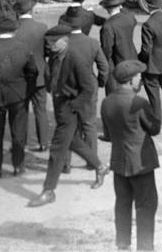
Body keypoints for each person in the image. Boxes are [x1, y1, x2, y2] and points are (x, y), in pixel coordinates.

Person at [29, 10, 110, 207]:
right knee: (73, 141)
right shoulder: (56, 54)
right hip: (60, 103)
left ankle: (49, 190)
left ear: (64, 40)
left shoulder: (75, 58)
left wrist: (74, 105)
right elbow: (51, 75)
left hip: (70, 107)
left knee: (57, 148)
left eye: (52, 43)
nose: (49, 46)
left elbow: (89, 87)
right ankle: (100, 166)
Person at [101, 59, 160, 252]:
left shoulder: (107, 102)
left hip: (119, 162)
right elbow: (154, 129)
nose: (140, 81)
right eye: (139, 77)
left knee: (122, 205)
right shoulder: (139, 102)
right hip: (141, 163)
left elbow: (107, 135)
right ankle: (145, 248)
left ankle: (123, 244)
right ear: (131, 79)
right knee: (146, 206)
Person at [0, 15, 38, 178]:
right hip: (18, 95)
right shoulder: (24, 49)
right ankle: (18, 166)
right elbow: (32, 72)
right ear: (15, 30)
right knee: (18, 131)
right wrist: (27, 91)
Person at [13, 0, 50, 151]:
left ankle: (20, 143)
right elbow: (48, 49)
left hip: (19, 77)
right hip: (39, 75)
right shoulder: (42, 27)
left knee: (20, 112)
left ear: (17, 12)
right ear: (31, 10)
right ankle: (44, 142)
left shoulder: (14, 30)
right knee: (41, 110)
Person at [100, 0, 139, 94]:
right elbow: (131, 16)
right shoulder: (129, 18)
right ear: (120, 6)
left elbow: (107, 50)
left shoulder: (108, 26)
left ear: (107, 8)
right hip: (132, 58)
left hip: (116, 63)